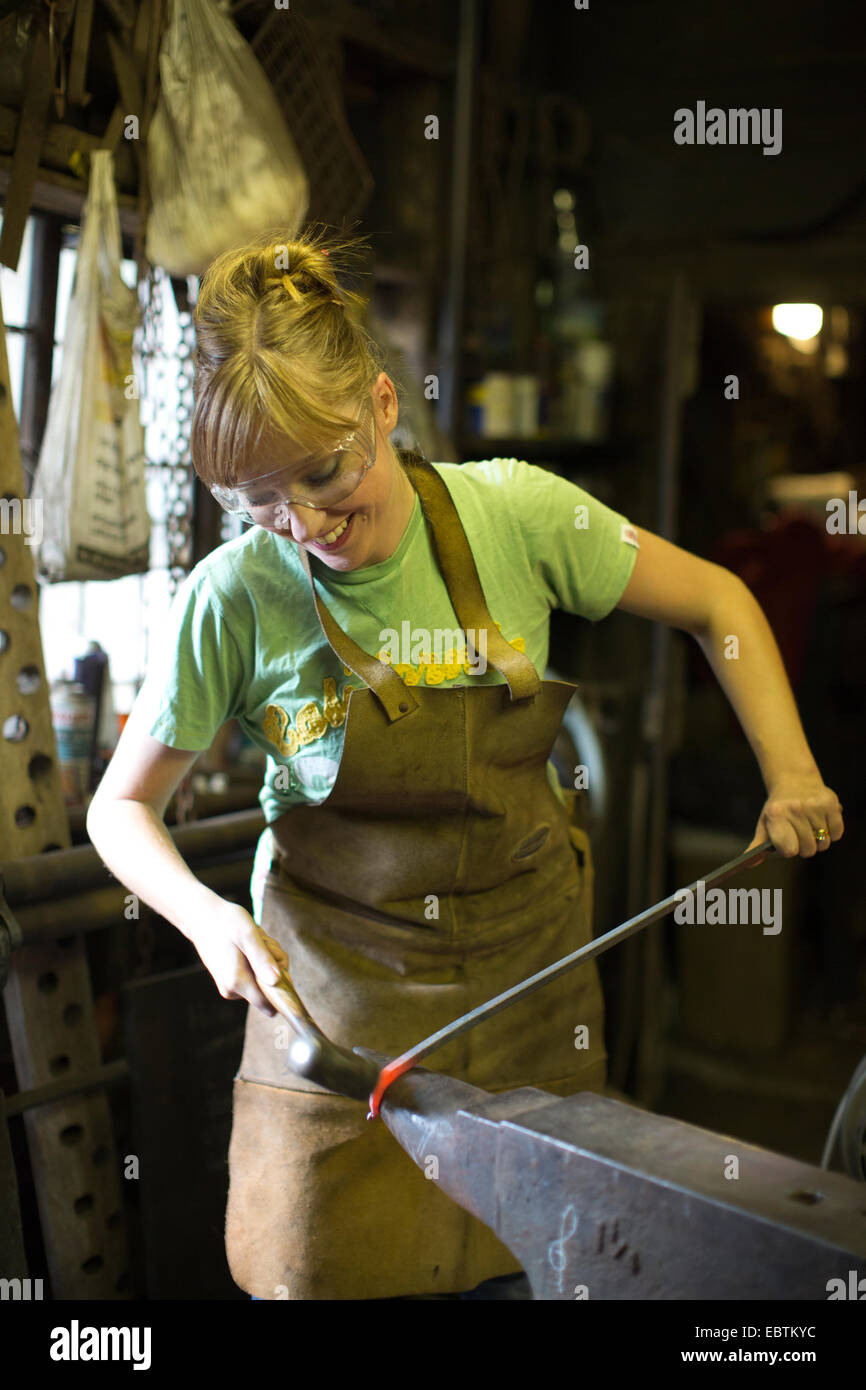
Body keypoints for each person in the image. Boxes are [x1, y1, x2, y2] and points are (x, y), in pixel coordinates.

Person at [86, 226, 844, 1301]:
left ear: (383, 406)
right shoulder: (233, 595)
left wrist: (791, 769)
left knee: (537, 1268)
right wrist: (208, 917)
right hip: (338, 1021)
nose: (301, 523)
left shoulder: (516, 515)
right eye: (256, 499)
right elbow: (121, 809)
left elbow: (719, 603)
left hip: (527, 989)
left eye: (323, 472)